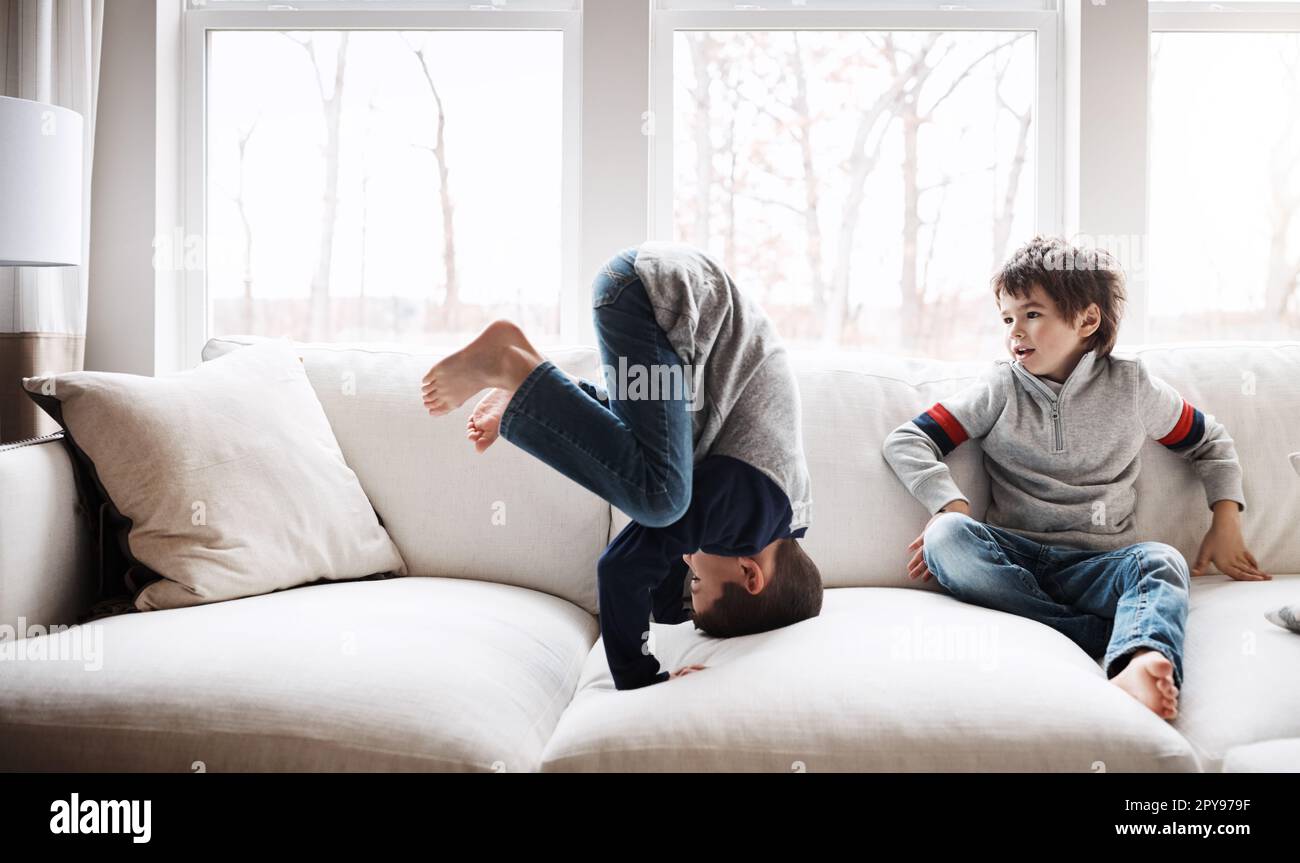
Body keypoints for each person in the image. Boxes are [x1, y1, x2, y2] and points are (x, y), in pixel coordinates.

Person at [882, 234, 1269, 721]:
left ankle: (1140, 660)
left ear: (1087, 320)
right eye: (1007, 318)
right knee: (947, 538)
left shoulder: (1132, 386)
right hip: (1015, 554)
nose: (1014, 331)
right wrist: (950, 506)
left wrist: (1226, 519)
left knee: (1161, 561)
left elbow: (1207, 441)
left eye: (1032, 314)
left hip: (1101, 565)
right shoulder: (999, 388)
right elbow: (908, 440)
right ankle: (1095, 636)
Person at [422, 242, 822, 690]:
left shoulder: (774, 509)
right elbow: (623, 567)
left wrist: (674, 609)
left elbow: (667, 555)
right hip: (666, 303)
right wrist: (640, 673)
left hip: (659, 307)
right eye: (698, 581)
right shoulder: (749, 511)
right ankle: (511, 369)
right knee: (661, 499)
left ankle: (534, 386)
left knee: (663, 472)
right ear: (751, 574)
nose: (688, 560)